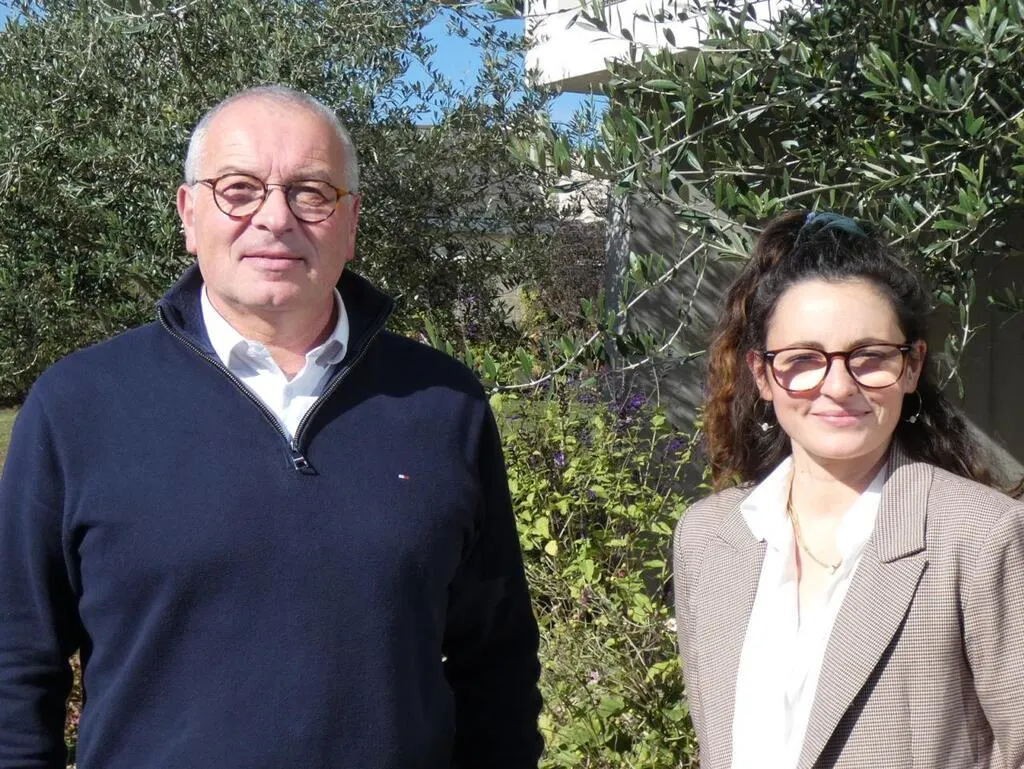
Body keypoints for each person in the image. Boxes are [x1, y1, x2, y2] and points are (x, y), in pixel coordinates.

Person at [0, 85, 543, 769]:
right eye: (239, 189)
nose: (276, 217)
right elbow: (14, 673)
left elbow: (495, 662)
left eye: (311, 192)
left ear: (351, 221)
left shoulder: (442, 405)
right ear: (188, 212)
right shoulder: (76, 407)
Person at [672, 210, 1024, 769]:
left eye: (870, 357)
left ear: (910, 369)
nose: (838, 386)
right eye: (804, 360)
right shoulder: (707, 539)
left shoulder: (981, 537)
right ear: (763, 376)